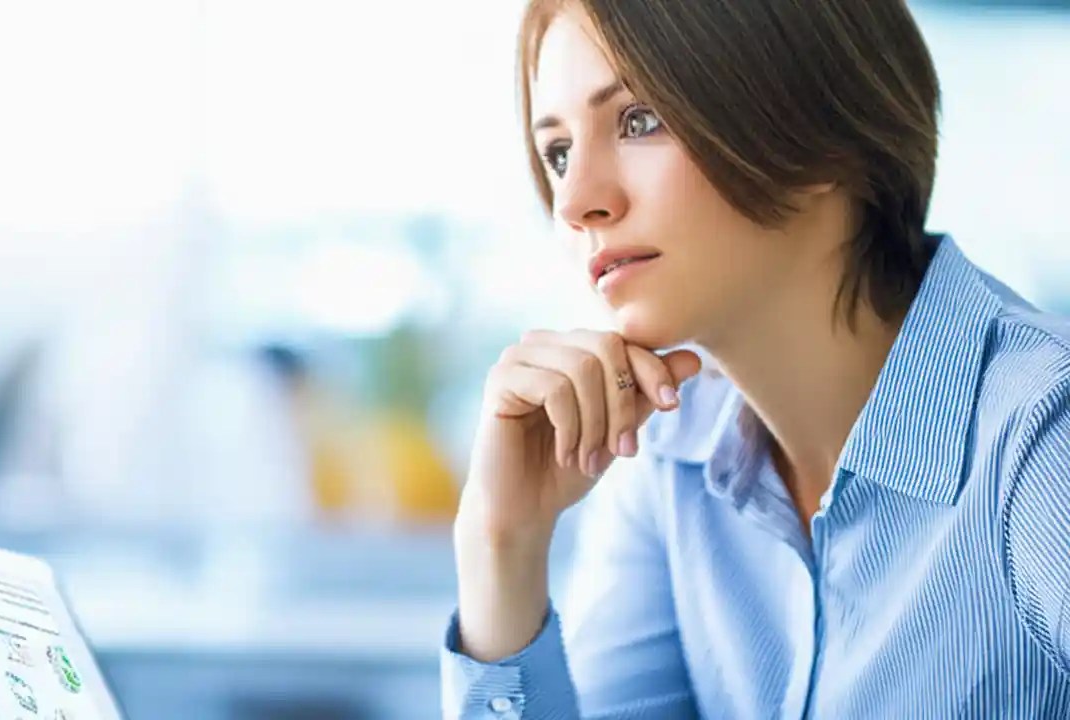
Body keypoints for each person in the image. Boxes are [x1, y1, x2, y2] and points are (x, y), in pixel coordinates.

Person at [441, 1, 1070, 717]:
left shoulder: (1045, 436)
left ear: (820, 122)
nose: (576, 202)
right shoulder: (665, 452)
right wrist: (501, 544)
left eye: (639, 120)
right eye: (558, 154)